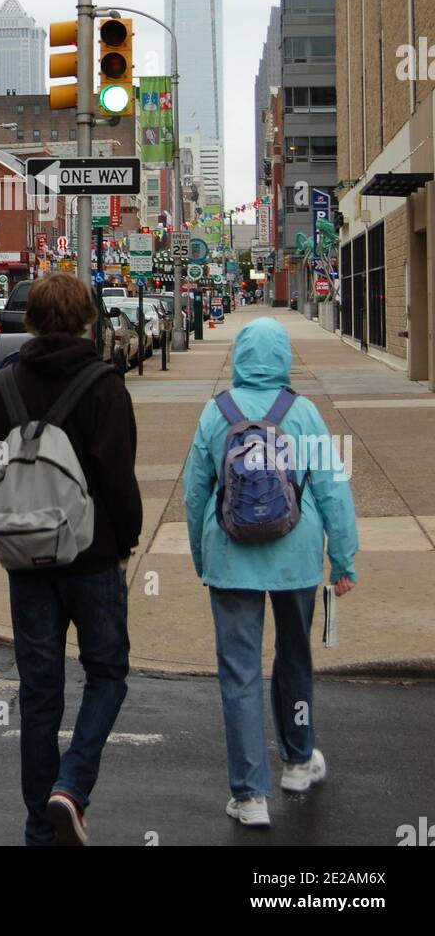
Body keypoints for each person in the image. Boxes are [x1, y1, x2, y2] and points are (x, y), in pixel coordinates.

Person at [0, 272, 142, 846]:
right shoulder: (105, 384)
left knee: (40, 691)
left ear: (31, 320)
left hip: (26, 559)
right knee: (108, 673)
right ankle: (70, 788)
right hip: (92, 557)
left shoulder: (6, 386)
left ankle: (37, 828)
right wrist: (125, 543)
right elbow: (119, 480)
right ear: (86, 319)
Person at [183, 317, 358, 827]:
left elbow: (196, 496)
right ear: (283, 358)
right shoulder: (302, 413)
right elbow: (332, 490)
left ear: (239, 357)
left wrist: (201, 556)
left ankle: (250, 794)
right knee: (295, 657)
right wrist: (344, 560)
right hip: (296, 557)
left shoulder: (216, 414)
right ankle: (299, 761)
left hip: (230, 558)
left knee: (239, 673)